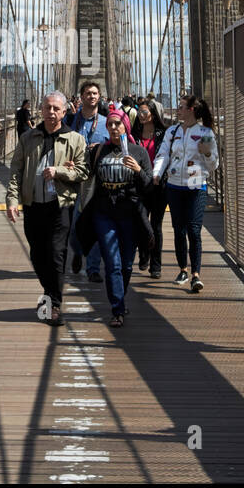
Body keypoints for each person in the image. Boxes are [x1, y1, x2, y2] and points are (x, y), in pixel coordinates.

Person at [6, 91, 89, 325]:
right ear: (41, 110)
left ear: (65, 112)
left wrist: (60, 171)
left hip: (60, 205)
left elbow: (83, 171)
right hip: (33, 205)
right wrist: (13, 201)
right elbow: (16, 172)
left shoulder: (75, 140)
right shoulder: (28, 138)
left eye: (56, 108)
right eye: (47, 107)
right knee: (37, 254)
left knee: (56, 252)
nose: (51, 112)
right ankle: (49, 291)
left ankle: (54, 304)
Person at [74, 109, 153, 327]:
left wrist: (138, 170)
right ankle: (117, 309)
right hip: (104, 212)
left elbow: (148, 186)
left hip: (130, 214)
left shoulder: (138, 153)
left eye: (118, 123)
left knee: (127, 264)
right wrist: (72, 167)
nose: (114, 128)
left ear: (126, 126)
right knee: (113, 263)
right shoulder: (100, 150)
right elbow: (86, 174)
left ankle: (121, 296)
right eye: (110, 124)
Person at [153, 94, 219, 294]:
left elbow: (214, 164)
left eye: (181, 107)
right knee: (179, 229)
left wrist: (207, 153)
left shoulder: (205, 133)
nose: (178, 109)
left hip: (196, 184)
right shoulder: (172, 131)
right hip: (174, 184)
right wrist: (157, 173)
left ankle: (196, 275)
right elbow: (164, 153)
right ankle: (183, 269)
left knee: (194, 229)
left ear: (191, 110)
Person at [69, 80, 111, 281]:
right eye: (87, 93)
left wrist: (100, 150)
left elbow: (115, 149)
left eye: (95, 93)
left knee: (95, 223)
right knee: (73, 224)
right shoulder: (70, 121)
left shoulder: (107, 123)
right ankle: (77, 250)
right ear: (81, 97)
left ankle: (94, 268)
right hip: (72, 179)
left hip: (96, 180)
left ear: (99, 97)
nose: (91, 96)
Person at [134, 99, 170, 278]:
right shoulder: (134, 133)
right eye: (139, 112)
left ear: (153, 114)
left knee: (156, 225)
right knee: (141, 222)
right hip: (139, 185)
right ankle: (144, 255)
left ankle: (156, 266)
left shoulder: (164, 134)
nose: (141, 115)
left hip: (158, 186)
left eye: (144, 112)